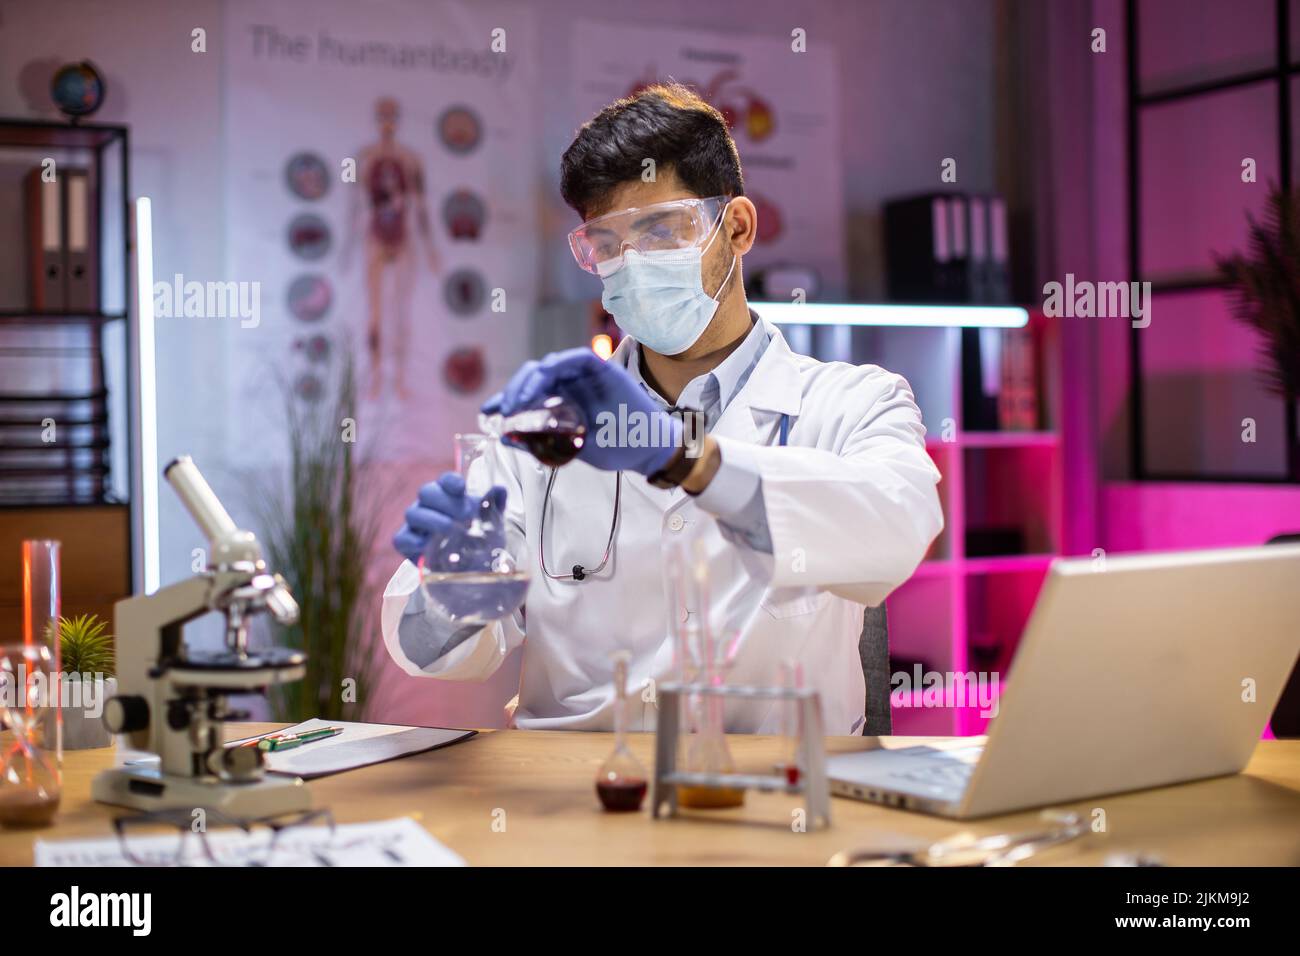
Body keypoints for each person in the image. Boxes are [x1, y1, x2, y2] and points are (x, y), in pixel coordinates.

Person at [382, 84, 942, 734]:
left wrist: (687, 459)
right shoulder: (541, 430)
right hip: (577, 799)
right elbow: (437, 655)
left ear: (736, 227)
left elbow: (896, 535)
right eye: (607, 243)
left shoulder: (852, 402)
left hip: (780, 796)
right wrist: (451, 592)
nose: (632, 264)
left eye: (658, 230)